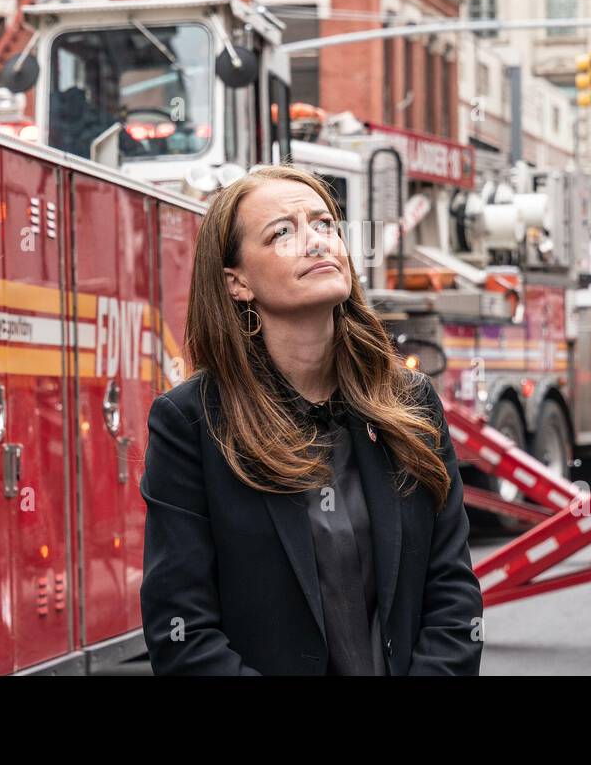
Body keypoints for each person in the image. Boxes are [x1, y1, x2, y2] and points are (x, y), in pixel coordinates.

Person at [140, 165, 484, 675]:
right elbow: (183, 630)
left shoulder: (411, 403)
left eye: (325, 225)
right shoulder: (191, 423)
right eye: (282, 233)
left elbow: (452, 593)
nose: (316, 242)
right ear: (237, 283)